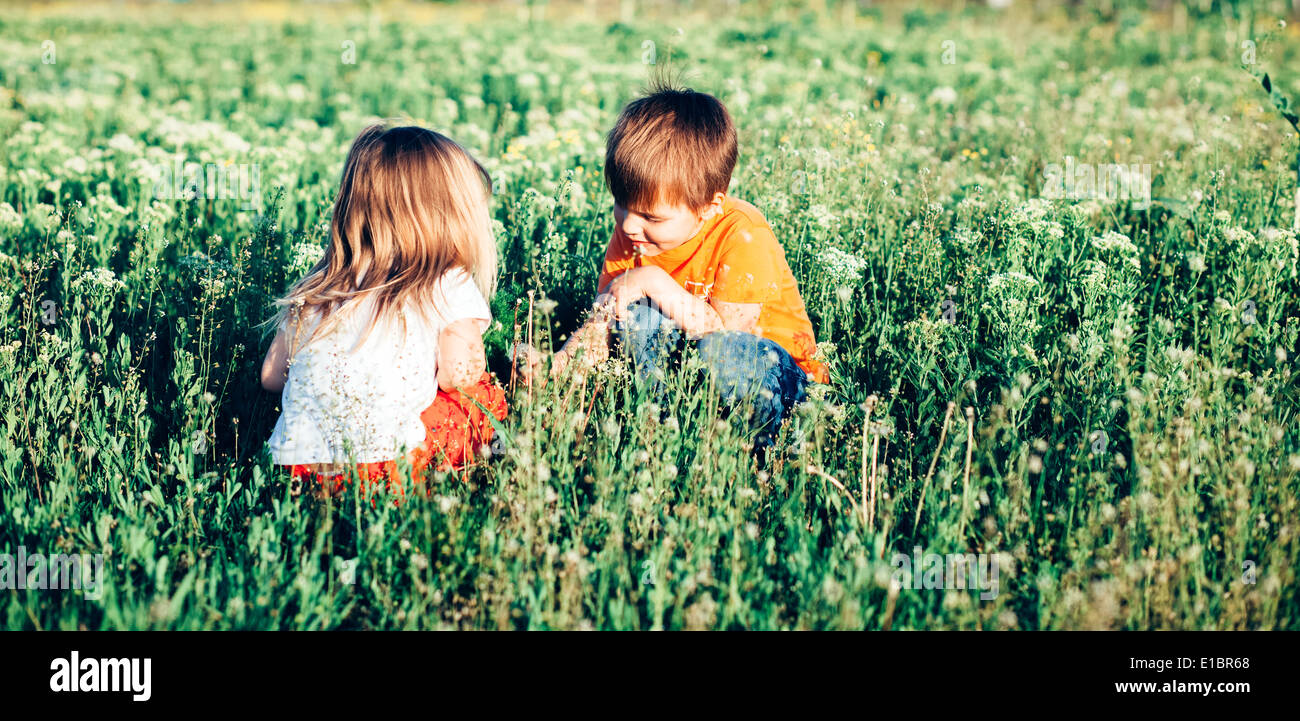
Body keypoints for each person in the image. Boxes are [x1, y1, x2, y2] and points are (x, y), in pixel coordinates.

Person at [518, 77, 827, 460]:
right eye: (621, 204)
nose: (629, 224)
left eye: (651, 216)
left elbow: (728, 337)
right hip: (694, 369)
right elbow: (605, 319)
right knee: (631, 317)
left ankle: (768, 454)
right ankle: (666, 434)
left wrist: (653, 280)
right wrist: (559, 364)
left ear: (709, 208)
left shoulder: (742, 233)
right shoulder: (636, 233)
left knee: (716, 352)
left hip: (779, 379)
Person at [259, 123, 506, 505]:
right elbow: (461, 375)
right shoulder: (447, 282)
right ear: (451, 218)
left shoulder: (321, 285)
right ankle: (483, 469)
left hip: (298, 472)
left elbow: (271, 378)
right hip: (388, 469)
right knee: (482, 397)